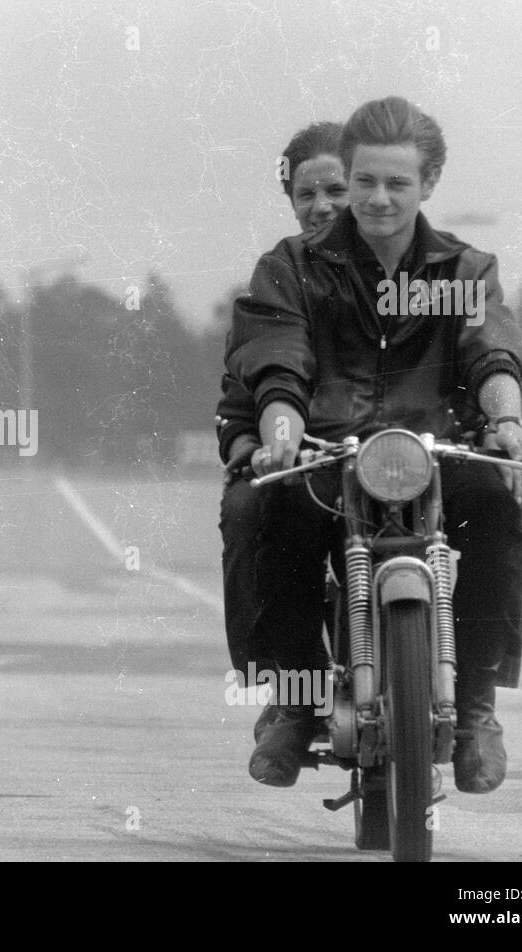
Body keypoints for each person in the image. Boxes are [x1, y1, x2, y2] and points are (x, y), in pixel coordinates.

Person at [225, 97, 522, 793]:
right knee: (266, 511)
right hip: (325, 453)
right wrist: (281, 438)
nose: (376, 198)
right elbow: (279, 358)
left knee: (502, 501)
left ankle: (474, 714)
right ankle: (292, 699)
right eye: (364, 180)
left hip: (435, 453)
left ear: (427, 184)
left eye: (396, 184)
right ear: (349, 172)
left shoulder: (464, 270)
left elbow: (489, 349)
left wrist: (510, 424)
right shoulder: (291, 267)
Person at [217, 121, 347, 742]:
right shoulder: (280, 273)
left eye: (337, 190)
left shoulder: (423, 272)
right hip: (299, 460)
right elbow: (256, 384)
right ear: (291, 202)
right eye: (306, 195)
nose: (322, 206)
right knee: (253, 512)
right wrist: (262, 446)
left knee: (490, 503)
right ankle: (295, 696)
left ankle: (470, 695)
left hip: (394, 461)